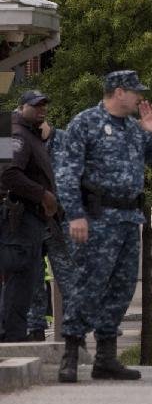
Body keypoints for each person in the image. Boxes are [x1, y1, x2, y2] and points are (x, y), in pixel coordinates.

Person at [56, 71, 152, 383]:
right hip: (95, 218)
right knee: (88, 285)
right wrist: (75, 215)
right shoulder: (85, 123)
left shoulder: (136, 129)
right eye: (135, 92)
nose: (140, 98)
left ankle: (106, 357)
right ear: (118, 92)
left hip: (128, 219)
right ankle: (71, 352)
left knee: (122, 288)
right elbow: (67, 173)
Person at [0, 91, 59, 343]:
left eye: (44, 105)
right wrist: (43, 195)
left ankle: (11, 336)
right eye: (36, 106)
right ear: (22, 107)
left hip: (24, 221)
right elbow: (8, 175)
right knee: (20, 280)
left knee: (22, 281)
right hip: (20, 221)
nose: (41, 110)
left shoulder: (17, 130)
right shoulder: (18, 135)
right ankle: (12, 339)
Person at [25, 121, 78, 342]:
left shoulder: (64, 140)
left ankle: (75, 341)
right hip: (27, 224)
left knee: (70, 282)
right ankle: (34, 334)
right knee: (29, 284)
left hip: (60, 223)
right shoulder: (12, 137)